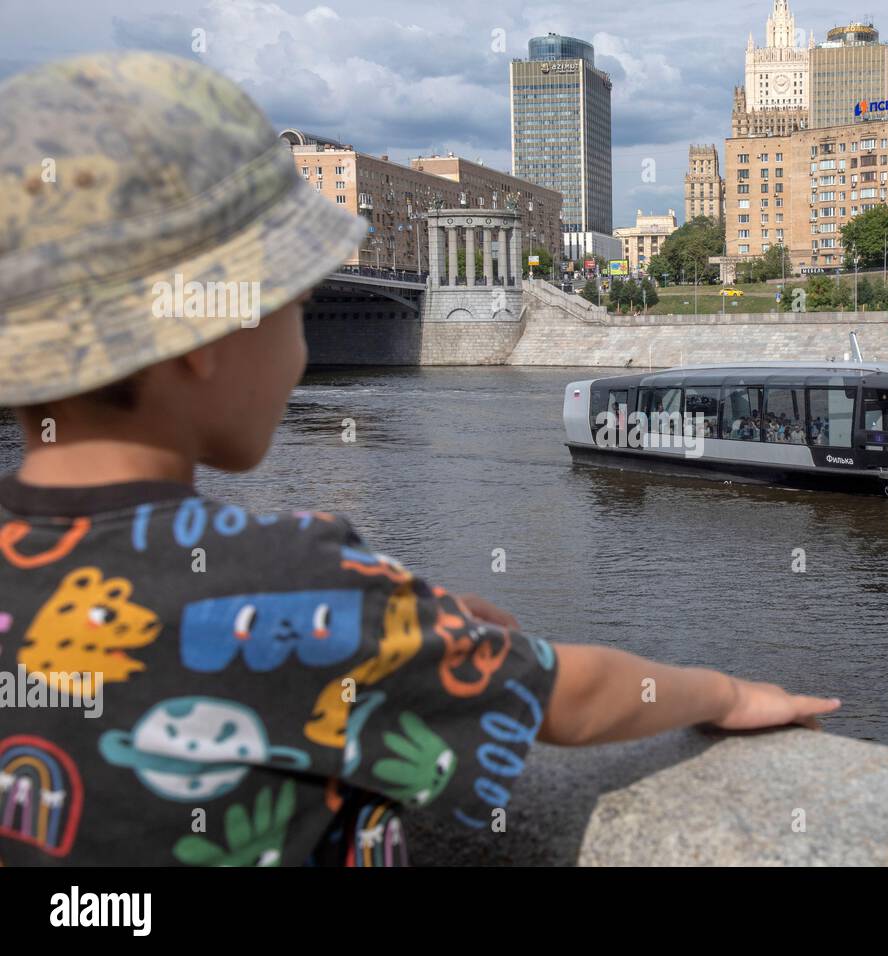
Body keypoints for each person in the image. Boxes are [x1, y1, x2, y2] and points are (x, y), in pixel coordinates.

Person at [0, 53, 838, 867]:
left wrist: (410, 627)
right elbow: (572, 699)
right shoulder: (296, 585)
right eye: (296, 304)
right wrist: (726, 694)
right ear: (203, 338)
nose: (305, 344)